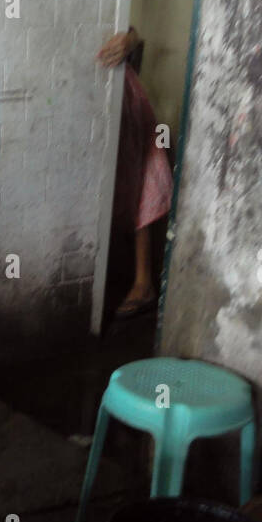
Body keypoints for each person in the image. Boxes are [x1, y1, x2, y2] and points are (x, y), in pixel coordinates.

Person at [96, 27, 172, 320]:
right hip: (97, 94)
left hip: (122, 93)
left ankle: (143, 283)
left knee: (141, 176)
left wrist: (129, 42)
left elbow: (134, 34)